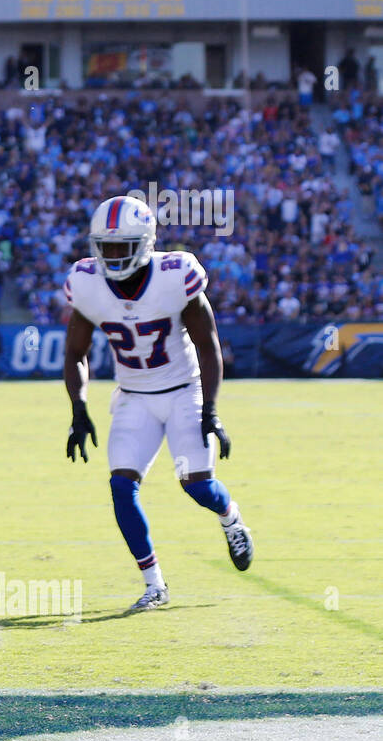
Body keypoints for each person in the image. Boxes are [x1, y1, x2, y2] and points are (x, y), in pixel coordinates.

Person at [63, 195, 253, 612]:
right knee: (120, 486)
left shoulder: (175, 275)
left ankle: (230, 517)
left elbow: (207, 344)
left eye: (122, 246)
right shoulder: (86, 283)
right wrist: (78, 408)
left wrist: (212, 409)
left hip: (184, 390)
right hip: (134, 398)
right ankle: (155, 584)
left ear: (146, 242)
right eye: (105, 246)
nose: (112, 256)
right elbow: (75, 352)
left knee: (198, 486)